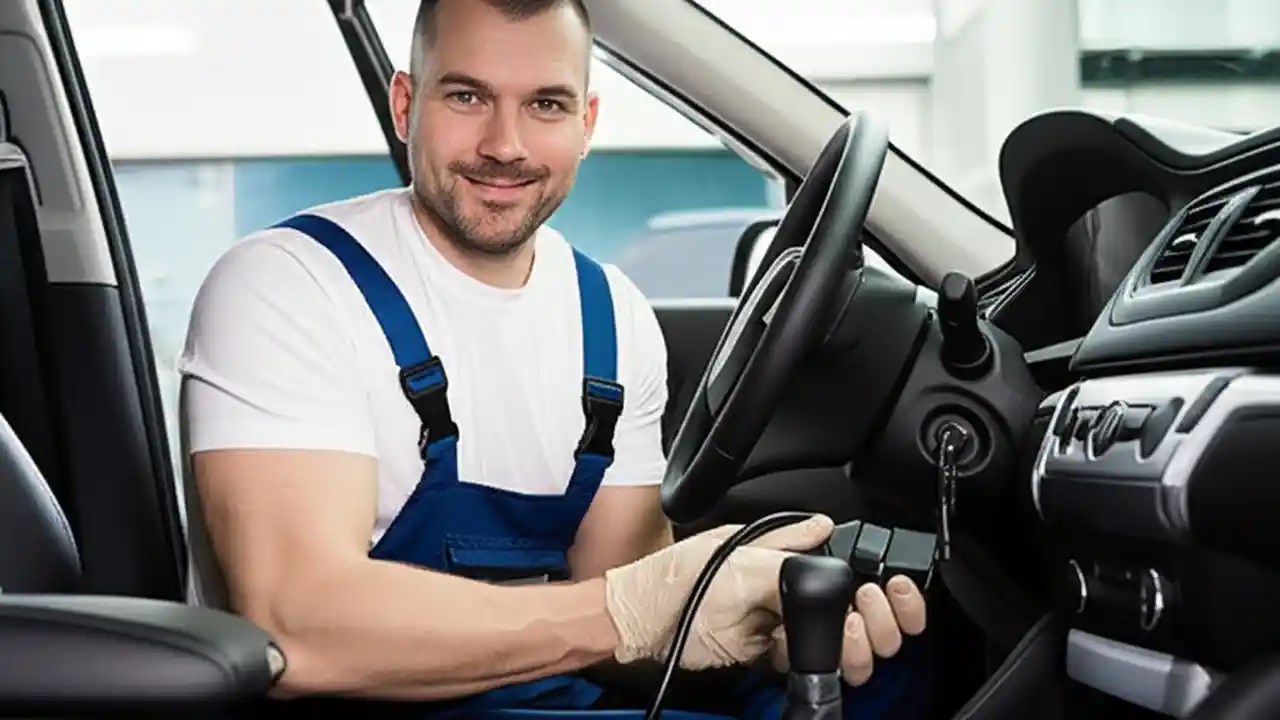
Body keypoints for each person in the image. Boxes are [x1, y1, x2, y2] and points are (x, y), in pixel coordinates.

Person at [177, 0, 929, 717]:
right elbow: (297, 629)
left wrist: (751, 620)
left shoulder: (612, 316)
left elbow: (630, 640)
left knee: (891, 680)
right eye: (468, 97)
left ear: (586, 121)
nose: (505, 145)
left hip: (554, 701)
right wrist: (625, 607)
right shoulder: (290, 286)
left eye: (545, 105)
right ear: (405, 104)